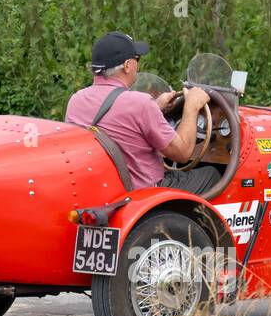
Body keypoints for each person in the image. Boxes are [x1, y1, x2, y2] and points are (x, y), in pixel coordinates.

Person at [65, 32, 221, 195]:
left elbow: (122, 122)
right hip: (144, 194)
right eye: (137, 58)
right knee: (212, 174)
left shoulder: (76, 100)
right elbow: (182, 153)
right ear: (127, 65)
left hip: (105, 191)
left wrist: (156, 107)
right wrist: (191, 107)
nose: (138, 65)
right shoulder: (140, 104)